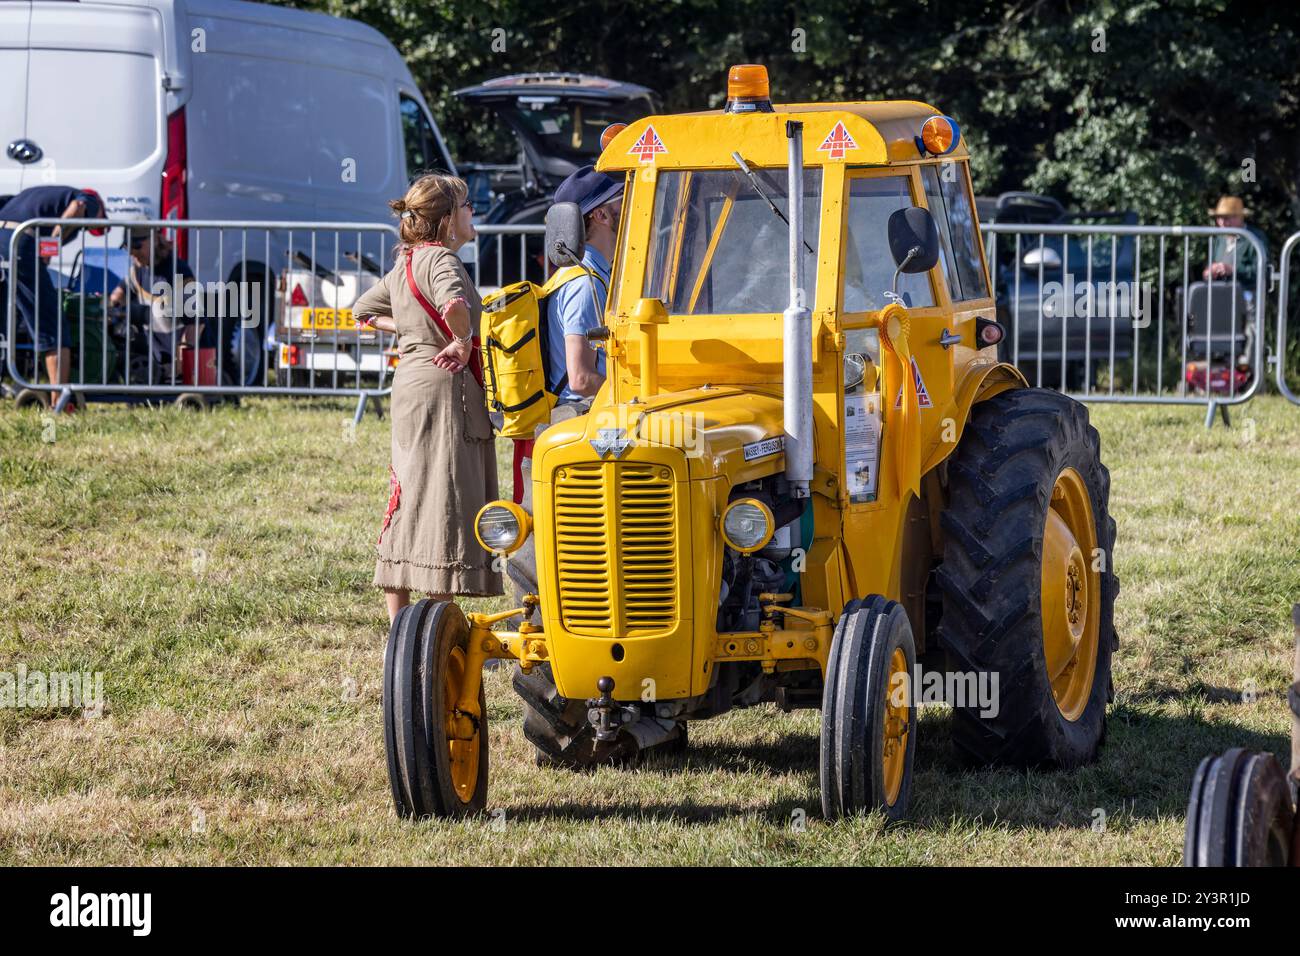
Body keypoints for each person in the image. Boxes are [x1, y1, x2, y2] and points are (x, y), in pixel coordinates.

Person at [352, 174, 502, 622]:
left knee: (407, 492)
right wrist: (460, 338)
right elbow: (454, 304)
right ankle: (440, 626)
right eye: (468, 206)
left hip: (412, 384)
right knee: (446, 495)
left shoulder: (407, 262)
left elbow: (363, 310)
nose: (473, 212)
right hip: (444, 386)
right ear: (449, 219)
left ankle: (403, 626)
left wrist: (414, 330)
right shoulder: (442, 261)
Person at [0, 186, 105, 400]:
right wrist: (52, 244)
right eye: (94, 224)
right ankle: (60, 400)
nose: (88, 228)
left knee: (2, 319)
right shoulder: (89, 199)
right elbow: (80, 206)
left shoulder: (33, 195)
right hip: (21, 243)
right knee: (50, 322)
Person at [545, 165, 622, 412]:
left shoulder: (593, 274)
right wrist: (637, 393)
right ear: (601, 215)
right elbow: (581, 378)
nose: (631, 207)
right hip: (585, 415)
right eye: (622, 200)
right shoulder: (584, 284)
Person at [109, 228, 201, 379]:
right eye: (128, 247)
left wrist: (183, 357)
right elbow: (118, 294)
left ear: (156, 240)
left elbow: (196, 323)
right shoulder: (137, 270)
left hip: (181, 361)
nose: (133, 252)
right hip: (154, 362)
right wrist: (108, 307)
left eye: (137, 246)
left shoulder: (179, 271)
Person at [1204, 195, 1266, 287]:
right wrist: (1209, 271)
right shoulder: (1219, 238)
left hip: (1246, 295)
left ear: (1240, 217)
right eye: (1219, 217)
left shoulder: (1255, 238)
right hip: (1220, 293)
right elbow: (1210, 265)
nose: (1222, 222)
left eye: (1227, 217)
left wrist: (1233, 270)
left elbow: (1262, 271)